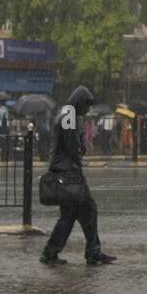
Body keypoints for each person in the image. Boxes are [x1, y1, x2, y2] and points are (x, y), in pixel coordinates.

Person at [40, 85, 117, 266]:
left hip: (68, 172)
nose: (87, 109)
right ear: (79, 102)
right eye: (86, 105)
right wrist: (81, 147)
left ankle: (63, 252)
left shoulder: (68, 115)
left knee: (77, 214)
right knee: (83, 211)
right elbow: (73, 148)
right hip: (68, 174)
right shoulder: (68, 118)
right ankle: (85, 252)